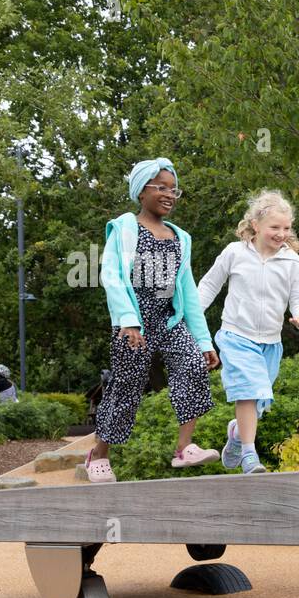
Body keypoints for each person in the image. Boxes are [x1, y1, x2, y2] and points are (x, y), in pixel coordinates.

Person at [85, 157, 221, 484]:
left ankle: (184, 448)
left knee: (192, 365)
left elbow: (187, 290)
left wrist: (204, 342)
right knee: (126, 388)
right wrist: (127, 320)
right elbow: (112, 276)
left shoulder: (180, 237)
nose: (170, 194)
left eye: (174, 190)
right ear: (141, 191)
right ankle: (99, 454)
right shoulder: (125, 229)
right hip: (134, 325)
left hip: (169, 321)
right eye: (161, 187)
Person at [197, 189, 299, 475]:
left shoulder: (291, 261)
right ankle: (250, 455)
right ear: (256, 225)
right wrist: (192, 315)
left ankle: (236, 434)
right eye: (275, 227)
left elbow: (298, 296)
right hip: (236, 336)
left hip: (270, 343)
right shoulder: (235, 253)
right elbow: (210, 285)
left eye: (286, 228)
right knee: (249, 392)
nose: (281, 233)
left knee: (259, 400)